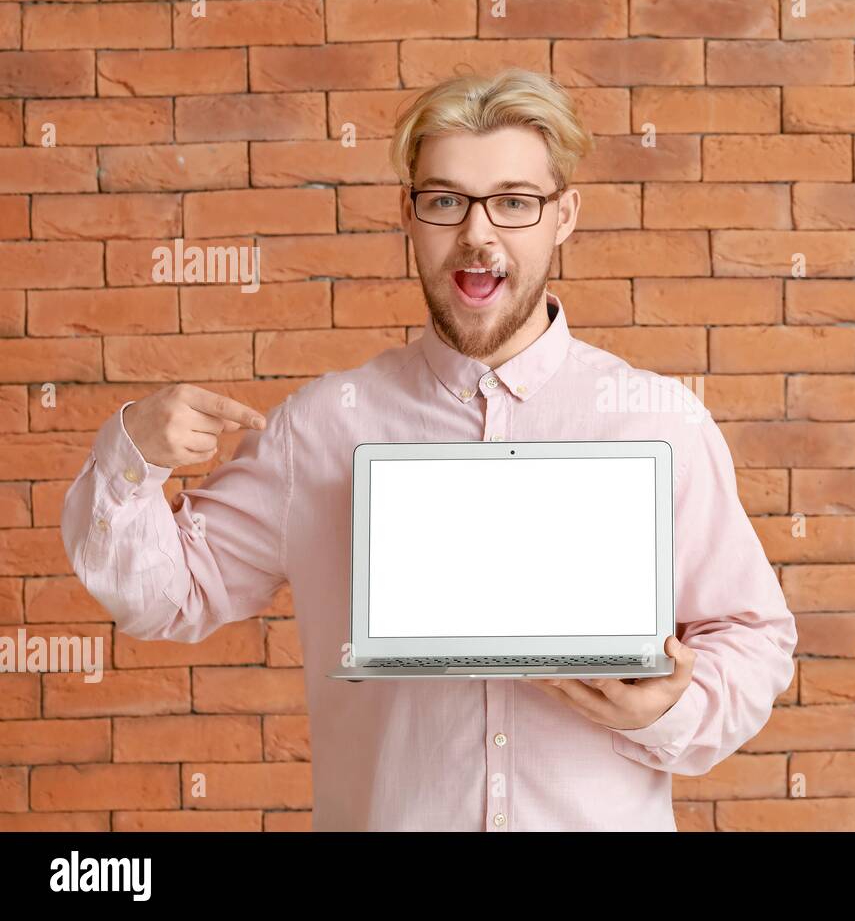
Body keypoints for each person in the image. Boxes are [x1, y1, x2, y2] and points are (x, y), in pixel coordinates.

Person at [61, 68, 797, 831]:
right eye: (446, 201)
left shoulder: (658, 422)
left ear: (564, 216)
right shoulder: (321, 428)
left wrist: (670, 708)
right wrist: (132, 456)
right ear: (408, 216)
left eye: (514, 202)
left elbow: (754, 639)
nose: (478, 235)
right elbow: (164, 598)